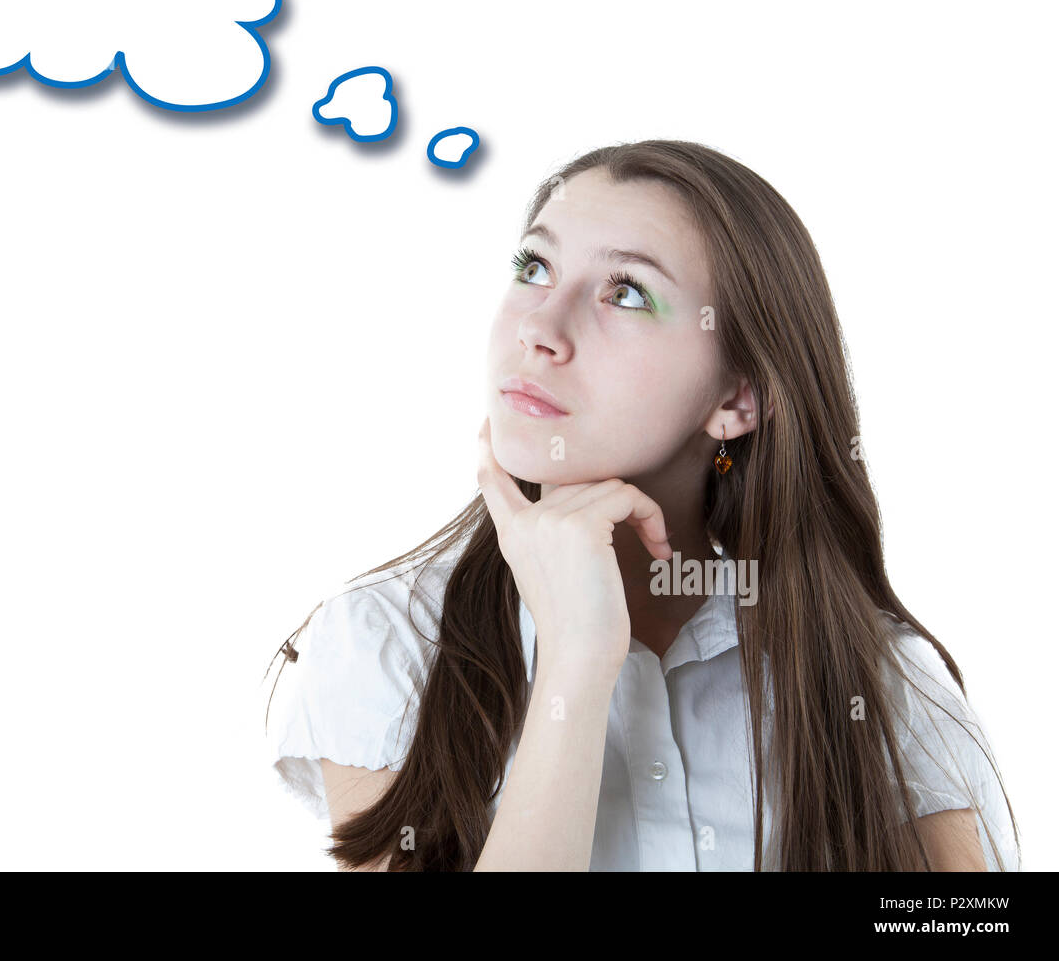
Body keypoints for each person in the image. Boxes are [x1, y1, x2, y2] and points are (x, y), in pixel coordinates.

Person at [263, 140, 1019, 871]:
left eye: (625, 291)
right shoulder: (387, 641)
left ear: (736, 398)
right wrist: (576, 663)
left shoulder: (881, 678)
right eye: (535, 266)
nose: (538, 328)